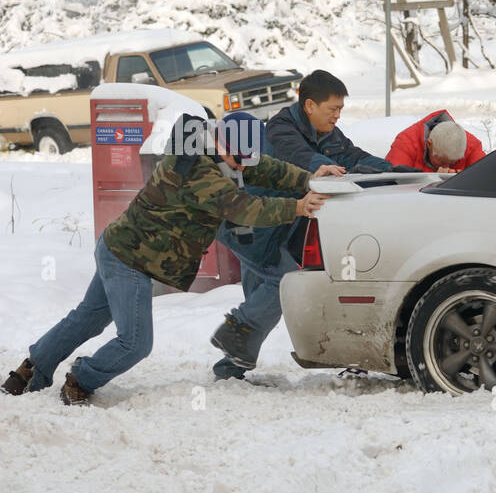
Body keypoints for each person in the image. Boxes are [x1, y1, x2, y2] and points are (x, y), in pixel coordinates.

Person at [2, 113, 332, 405]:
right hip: (129, 259)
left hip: (117, 247)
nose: (242, 168)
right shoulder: (197, 173)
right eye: (238, 161)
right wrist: (299, 206)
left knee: (87, 319)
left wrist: (308, 177)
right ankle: (81, 379)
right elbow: (245, 208)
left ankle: (29, 371)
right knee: (135, 344)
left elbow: (265, 168)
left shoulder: (213, 150)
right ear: (222, 143)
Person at [208, 111, 345, 380]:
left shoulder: (278, 136)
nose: (336, 115)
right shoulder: (231, 158)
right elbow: (255, 199)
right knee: (281, 284)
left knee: (262, 296)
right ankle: (234, 331)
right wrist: (300, 197)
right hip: (249, 228)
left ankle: (232, 363)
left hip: (266, 228)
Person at [266, 69, 418, 174]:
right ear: (310, 106)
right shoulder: (280, 128)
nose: (338, 115)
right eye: (333, 109)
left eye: (340, 109)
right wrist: (337, 171)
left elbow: (353, 156)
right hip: (275, 214)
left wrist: (391, 170)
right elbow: (301, 157)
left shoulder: (329, 131)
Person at [384, 110, 486, 172]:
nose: (445, 167)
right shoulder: (406, 143)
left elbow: (485, 180)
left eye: (452, 163)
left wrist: (461, 182)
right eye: (441, 161)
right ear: (429, 144)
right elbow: (394, 184)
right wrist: (436, 181)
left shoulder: (472, 147)